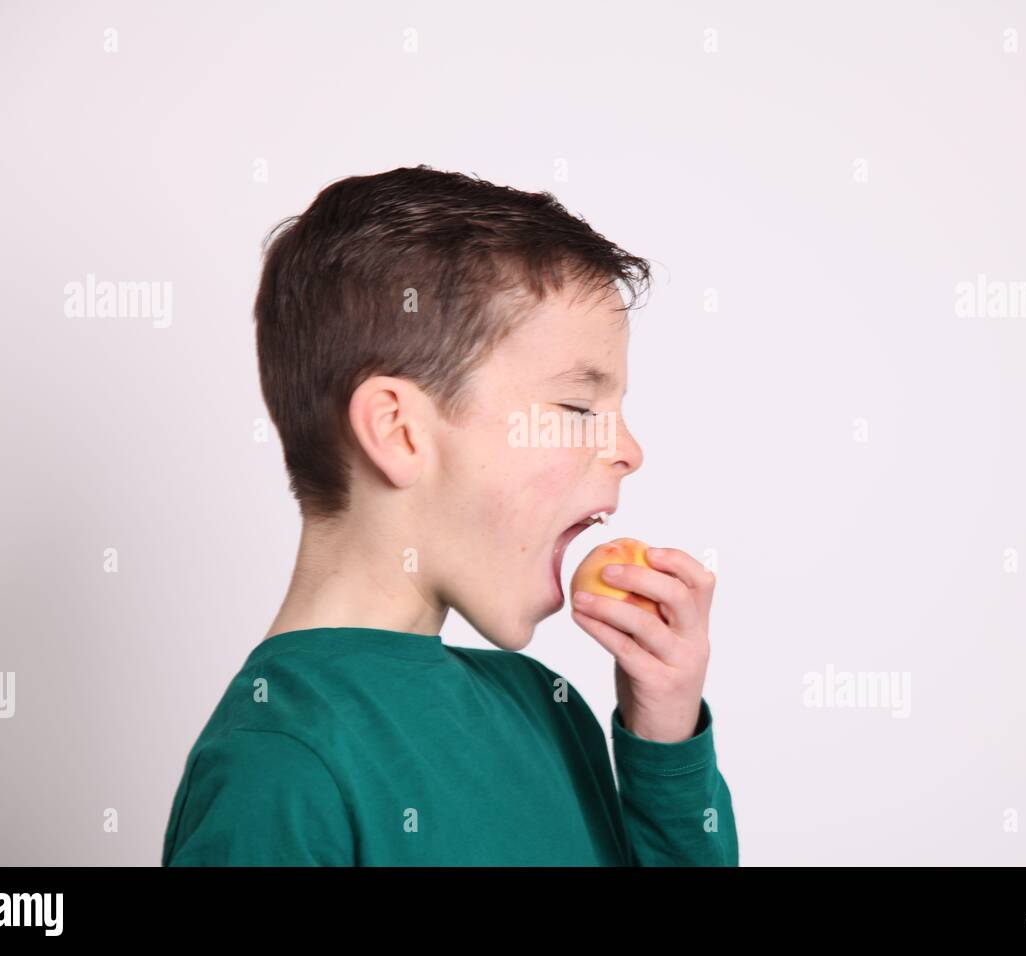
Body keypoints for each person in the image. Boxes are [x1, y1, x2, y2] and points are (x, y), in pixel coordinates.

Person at [161, 166, 737, 865]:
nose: (630, 451)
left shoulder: (546, 708)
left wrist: (666, 741)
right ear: (401, 433)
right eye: (579, 409)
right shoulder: (279, 768)